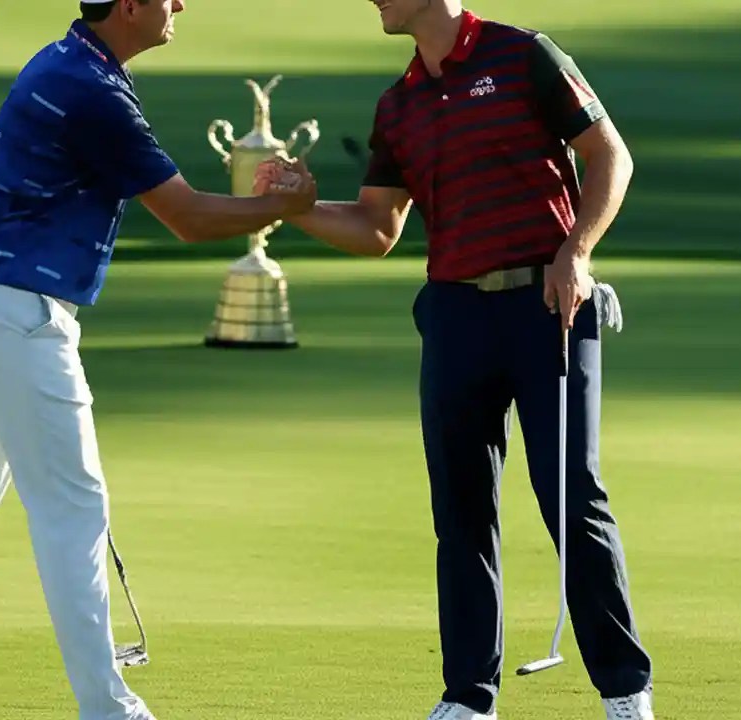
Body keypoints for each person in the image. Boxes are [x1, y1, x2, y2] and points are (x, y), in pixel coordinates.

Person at [0, 2, 316, 719]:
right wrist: (288, 207)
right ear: (128, 6)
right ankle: (109, 709)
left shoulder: (73, 65)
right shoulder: (92, 89)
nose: (180, 4)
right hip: (19, 316)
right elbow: (188, 216)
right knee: (74, 511)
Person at [255, 1, 652, 719]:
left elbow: (609, 155)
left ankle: (625, 691)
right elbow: (378, 227)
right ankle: (470, 697)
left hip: (548, 304)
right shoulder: (400, 104)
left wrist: (577, 252)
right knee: (461, 511)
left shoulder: (524, 55)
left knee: (571, 497)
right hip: (455, 315)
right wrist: (300, 207)